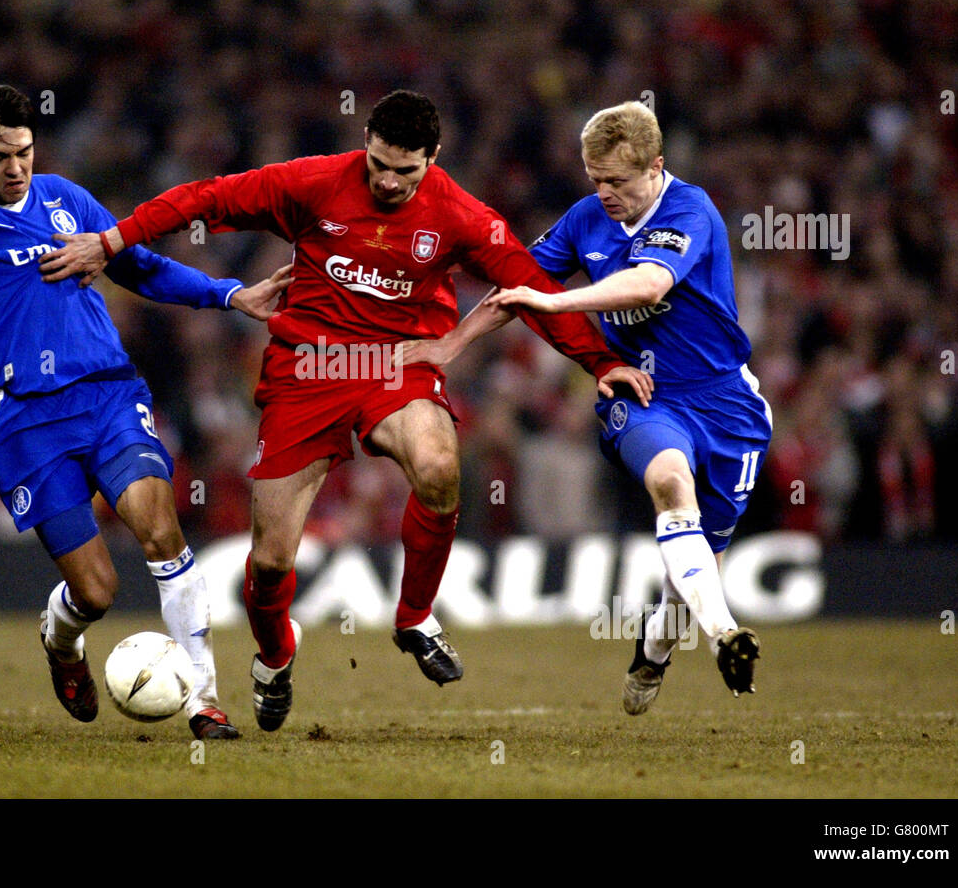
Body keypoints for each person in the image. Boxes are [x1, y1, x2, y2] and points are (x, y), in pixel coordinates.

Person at [38, 89, 652, 731]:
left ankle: (414, 616)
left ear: (433, 158)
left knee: (440, 463)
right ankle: (276, 656)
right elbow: (207, 196)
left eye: (405, 170)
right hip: (307, 371)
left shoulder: (461, 216)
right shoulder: (312, 183)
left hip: (395, 367)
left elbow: (533, 288)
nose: (387, 180)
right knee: (272, 560)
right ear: (366, 142)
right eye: (378, 162)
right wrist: (112, 241)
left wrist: (601, 363)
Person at [0, 0, 293, 739]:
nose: (15, 168)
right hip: (28, 421)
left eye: (25, 153)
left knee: (159, 528)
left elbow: (137, 264)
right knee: (96, 590)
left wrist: (231, 293)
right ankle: (61, 639)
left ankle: (204, 700)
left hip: (108, 395)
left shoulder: (65, 199)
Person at [407, 101, 772, 714]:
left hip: (727, 403)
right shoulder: (584, 220)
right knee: (668, 481)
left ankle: (656, 646)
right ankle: (727, 635)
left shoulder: (691, 209)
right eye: (595, 179)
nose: (604, 194)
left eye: (618, 183)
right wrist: (450, 346)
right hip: (642, 395)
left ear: (656, 167)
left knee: (695, 570)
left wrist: (559, 303)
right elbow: (515, 283)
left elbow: (650, 283)